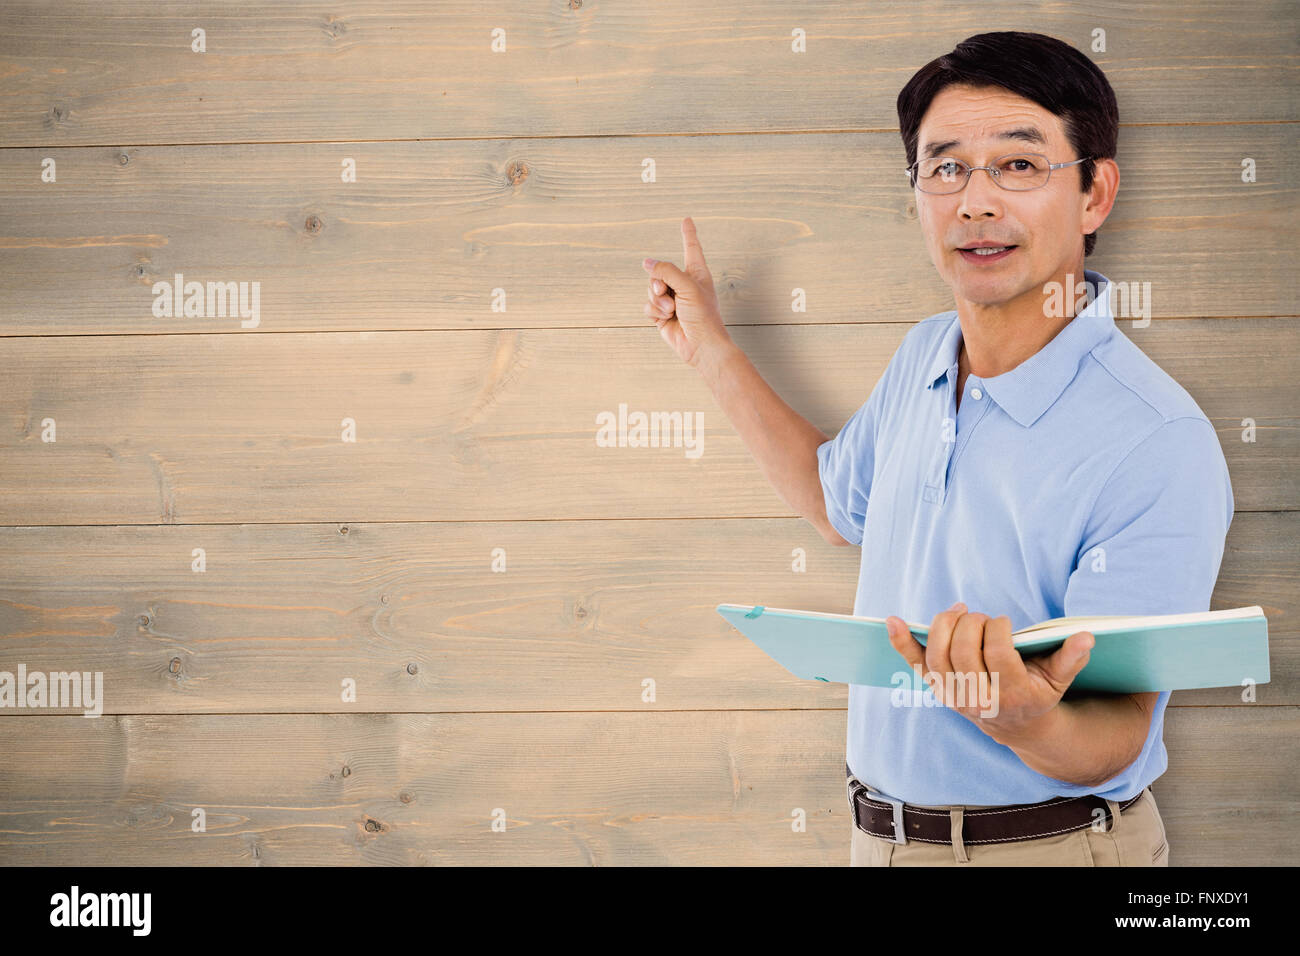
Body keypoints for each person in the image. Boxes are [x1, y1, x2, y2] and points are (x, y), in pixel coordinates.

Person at [639, 31, 1232, 866]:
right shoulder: (926, 352)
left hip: (1049, 850)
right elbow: (835, 503)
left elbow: (1118, 733)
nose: (975, 202)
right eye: (945, 167)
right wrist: (708, 348)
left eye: (1019, 165)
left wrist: (1022, 719)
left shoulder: (1158, 441)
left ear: (1095, 194)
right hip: (879, 841)